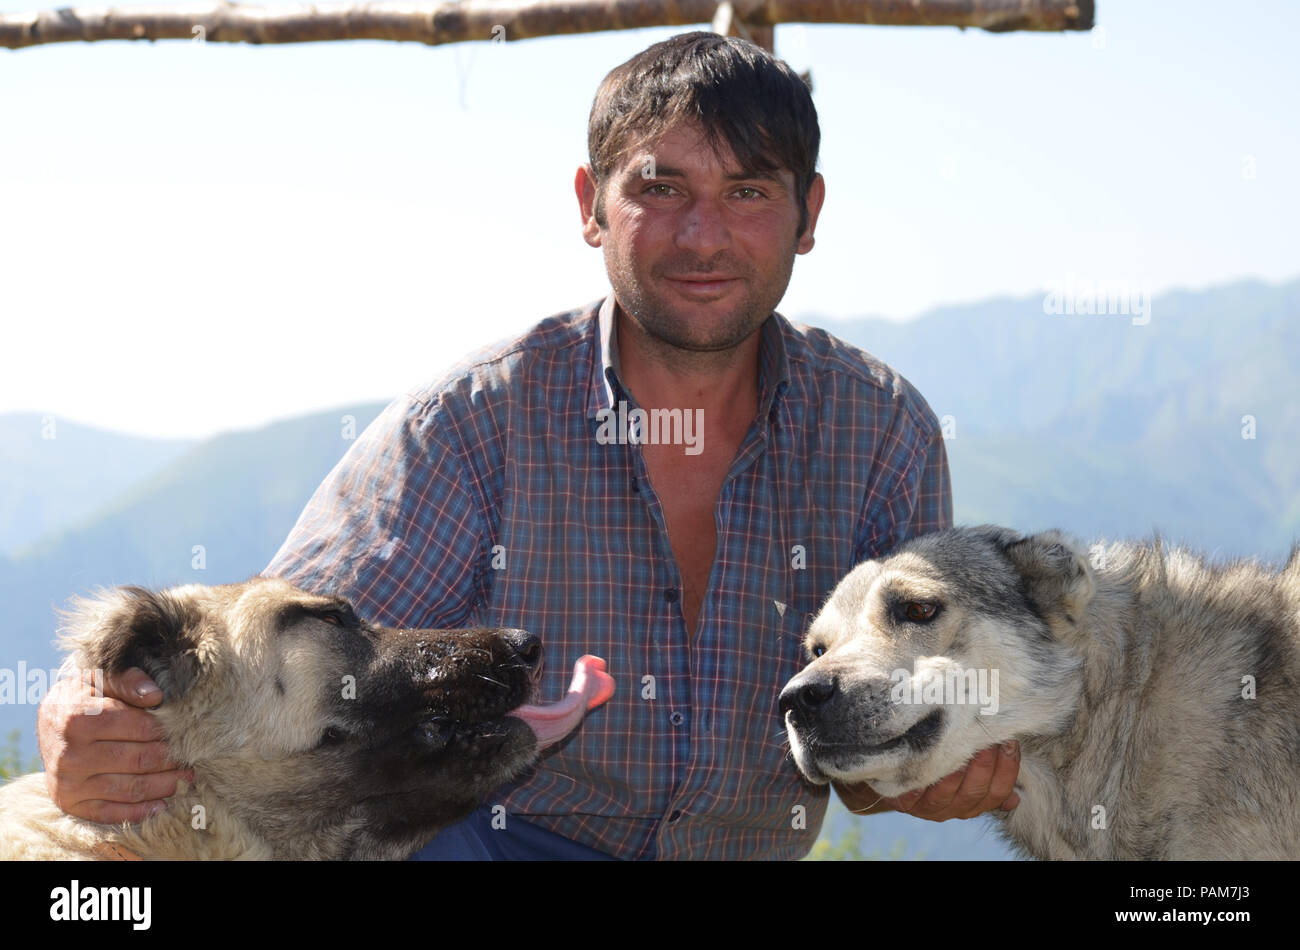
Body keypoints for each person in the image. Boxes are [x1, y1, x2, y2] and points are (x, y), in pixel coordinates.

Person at [36, 31, 1019, 860]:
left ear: (808, 214)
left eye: (750, 191)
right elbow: (270, 656)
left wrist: (929, 771)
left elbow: (881, 755)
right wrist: (85, 711)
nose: (704, 235)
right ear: (590, 204)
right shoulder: (471, 423)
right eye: (660, 186)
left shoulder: (881, 431)